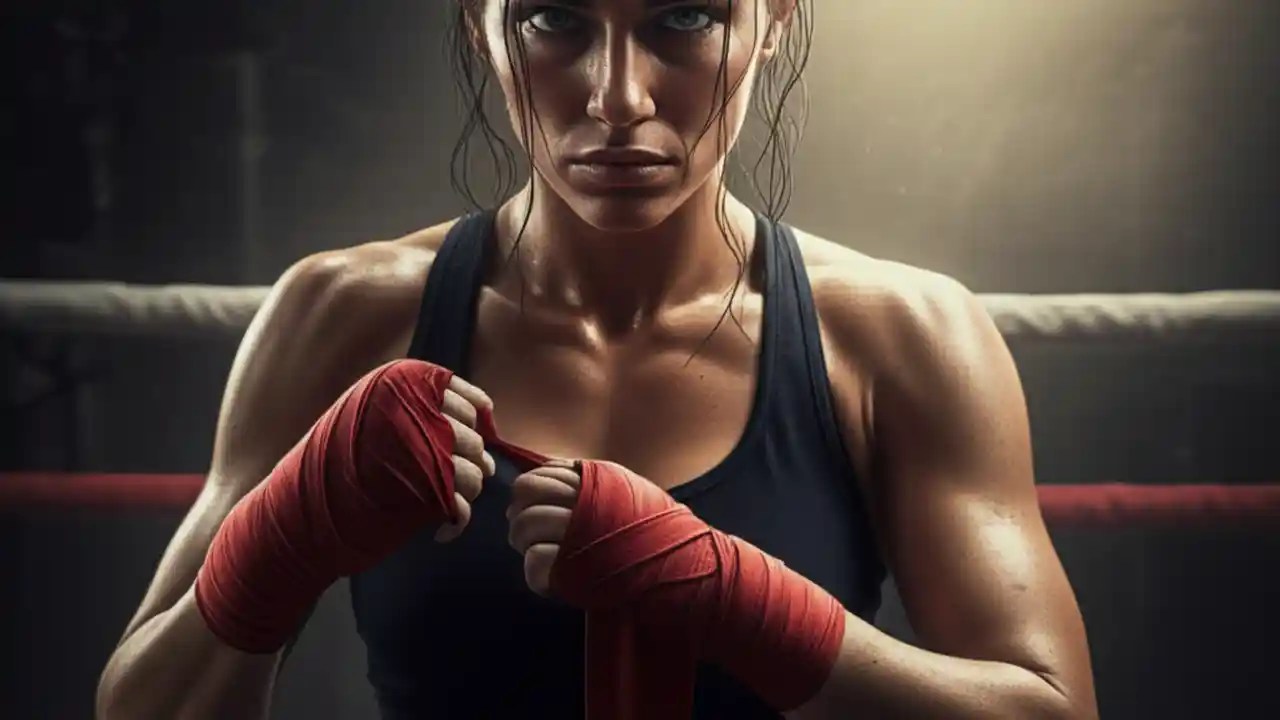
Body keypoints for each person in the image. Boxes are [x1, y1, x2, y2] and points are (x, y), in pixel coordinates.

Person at [97, 1, 1098, 718]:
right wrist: (277, 548)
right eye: (553, 20)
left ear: (773, 20)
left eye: (683, 19)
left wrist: (741, 604)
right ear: (479, 25)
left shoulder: (897, 335)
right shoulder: (344, 315)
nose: (617, 99)